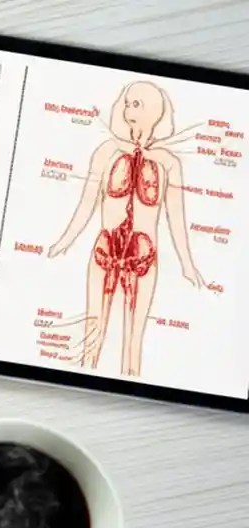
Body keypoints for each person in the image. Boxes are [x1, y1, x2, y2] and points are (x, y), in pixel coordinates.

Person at [48, 81, 204, 376]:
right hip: (104, 250)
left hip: (145, 256)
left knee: (134, 343)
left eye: (138, 104)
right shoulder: (106, 151)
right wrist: (65, 241)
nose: (130, 110)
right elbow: (86, 203)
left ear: (156, 111)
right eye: (128, 102)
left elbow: (176, 218)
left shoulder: (169, 163)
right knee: (91, 334)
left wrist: (187, 264)